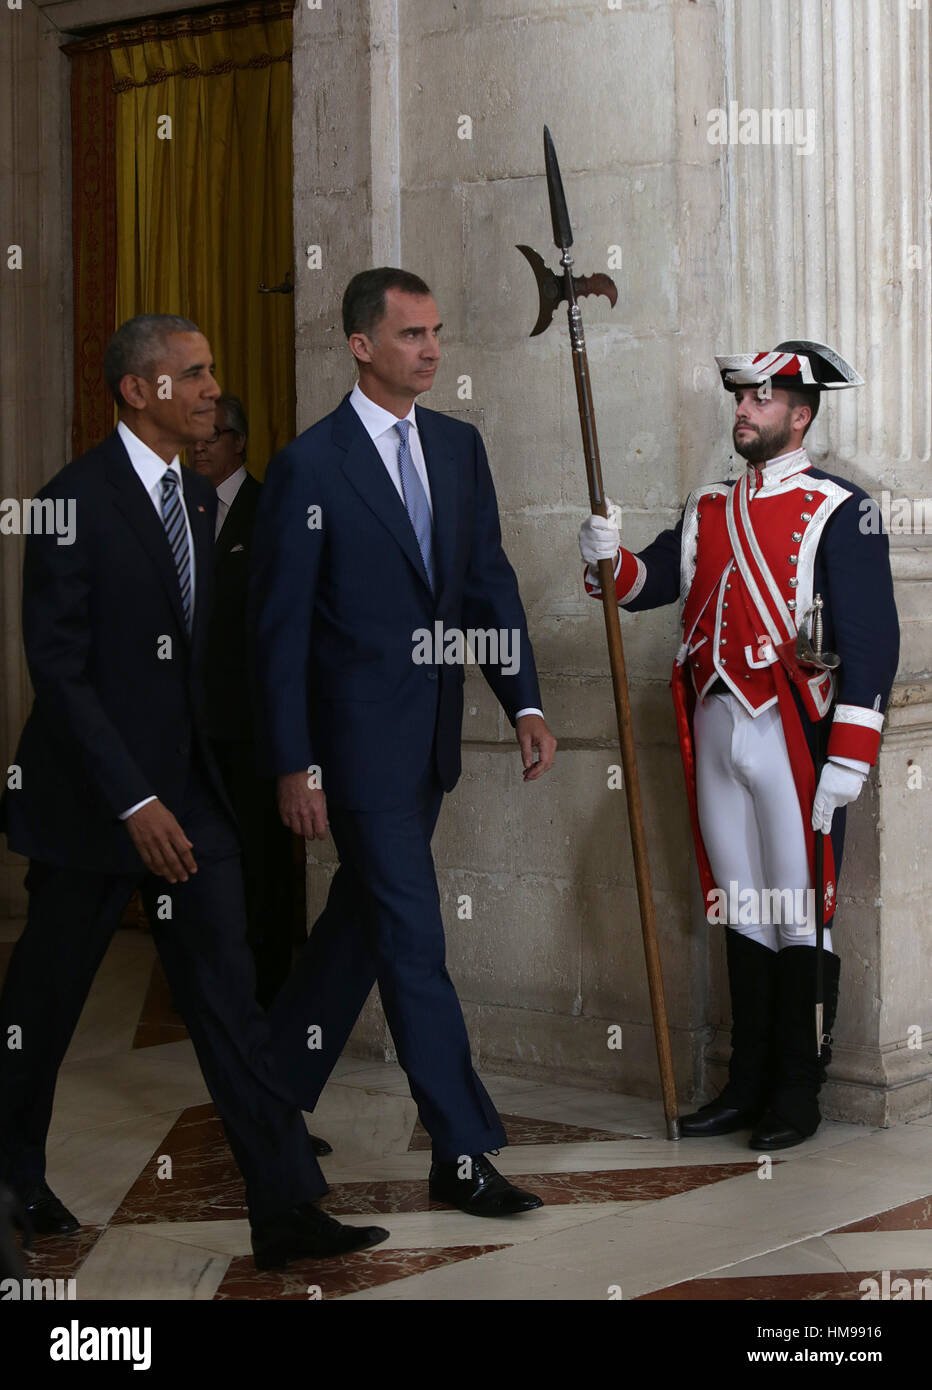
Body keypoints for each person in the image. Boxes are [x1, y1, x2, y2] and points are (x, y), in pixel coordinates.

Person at [0, 314, 385, 1267]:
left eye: (214, 369)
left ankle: (286, 1210)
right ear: (139, 391)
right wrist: (135, 802)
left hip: (195, 802)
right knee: (40, 1012)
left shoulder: (204, 505)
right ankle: (11, 1187)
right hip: (95, 806)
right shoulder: (68, 502)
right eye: (195, 372)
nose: (215, 387)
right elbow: (62, 674)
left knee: (229, 1004)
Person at [251, 268, 558, 1216]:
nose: (430, 349)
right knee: (415, 940)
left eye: (436, 332)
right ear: (360, 345)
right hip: (352, 754)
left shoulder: (461, 449)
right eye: (412, 334)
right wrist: (293, 762)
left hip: (428, 742)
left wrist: (525, 703)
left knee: (360, 927)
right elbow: (280, 632)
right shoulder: (311, 465)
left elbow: (487, 587)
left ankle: (263, 1093)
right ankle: (461, 1149)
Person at [578, 342, 899, 1150]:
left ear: (802, 413)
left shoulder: (839, 506)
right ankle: (746, 1081)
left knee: (800, 914)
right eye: (741, 400)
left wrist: (851, 755)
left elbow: (872, 638)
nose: (744, 412)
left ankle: (799, 1088)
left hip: (793, 733)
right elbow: (649, 584)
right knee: (743, 908)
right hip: (715, 728)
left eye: (762, 400)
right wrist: (607, 554)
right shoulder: (707, 506)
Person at [192, 395, 297, 1010]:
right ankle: (208, 981)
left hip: (252, 723)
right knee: (200, 859)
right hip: (189, 727)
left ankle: (268, 984)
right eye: (194, 437)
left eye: (213, 435)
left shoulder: (268, 511)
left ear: (239, 442)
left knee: (259, 857)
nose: (200, 445)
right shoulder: (174, 511)